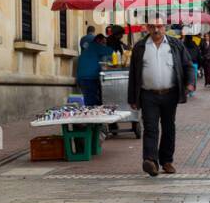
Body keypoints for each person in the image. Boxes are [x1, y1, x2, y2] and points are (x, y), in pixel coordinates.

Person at [128, 16, 196, 176]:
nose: (156, 30)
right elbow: (133, 74)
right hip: (148, 94)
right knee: (150, 127)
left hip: (170, 93)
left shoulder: (175, 45)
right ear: (147, 28)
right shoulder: (140, 47)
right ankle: (150, 161)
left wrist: (190, 83)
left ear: (165, 27)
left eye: (159, 26)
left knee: (168, 127)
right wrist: (132, 98)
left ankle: (166, 161)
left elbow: (188, 66)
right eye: (152, 26)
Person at [76, 32, 112, 106]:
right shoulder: (96, 47)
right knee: (91, 102)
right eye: (103, 42)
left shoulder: (89, 48)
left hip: (81, 78)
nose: (104, 45)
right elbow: (111, 52)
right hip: (89, 78)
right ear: (98, 40)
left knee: (88, 100)